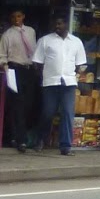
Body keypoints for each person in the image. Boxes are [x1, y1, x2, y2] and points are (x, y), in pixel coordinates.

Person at [32, 14, 88, 155]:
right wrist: (44, 76)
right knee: (48, 113)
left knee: (68, 113)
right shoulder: (45, 40)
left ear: (67, 25)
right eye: (55, 24)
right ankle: (40, 140)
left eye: (60, 24)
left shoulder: (76, 42)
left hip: (68, 83)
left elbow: (81, 64)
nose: (57, 27)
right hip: (50, 83)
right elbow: (37, 62)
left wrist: (75, 74)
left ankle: (65, 146)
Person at [0, 8, 38, 151]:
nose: (16, 19)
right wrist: (6, 70)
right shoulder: (7, 35)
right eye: (13, 16)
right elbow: (2, 55)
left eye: (19, 16)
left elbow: (34, 51)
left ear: (23, 17)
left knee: (28, 104)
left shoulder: (30, 31)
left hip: (29, 69)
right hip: (14, 69)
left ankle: (17, 136)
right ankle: (21, 140)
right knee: (18, 104)